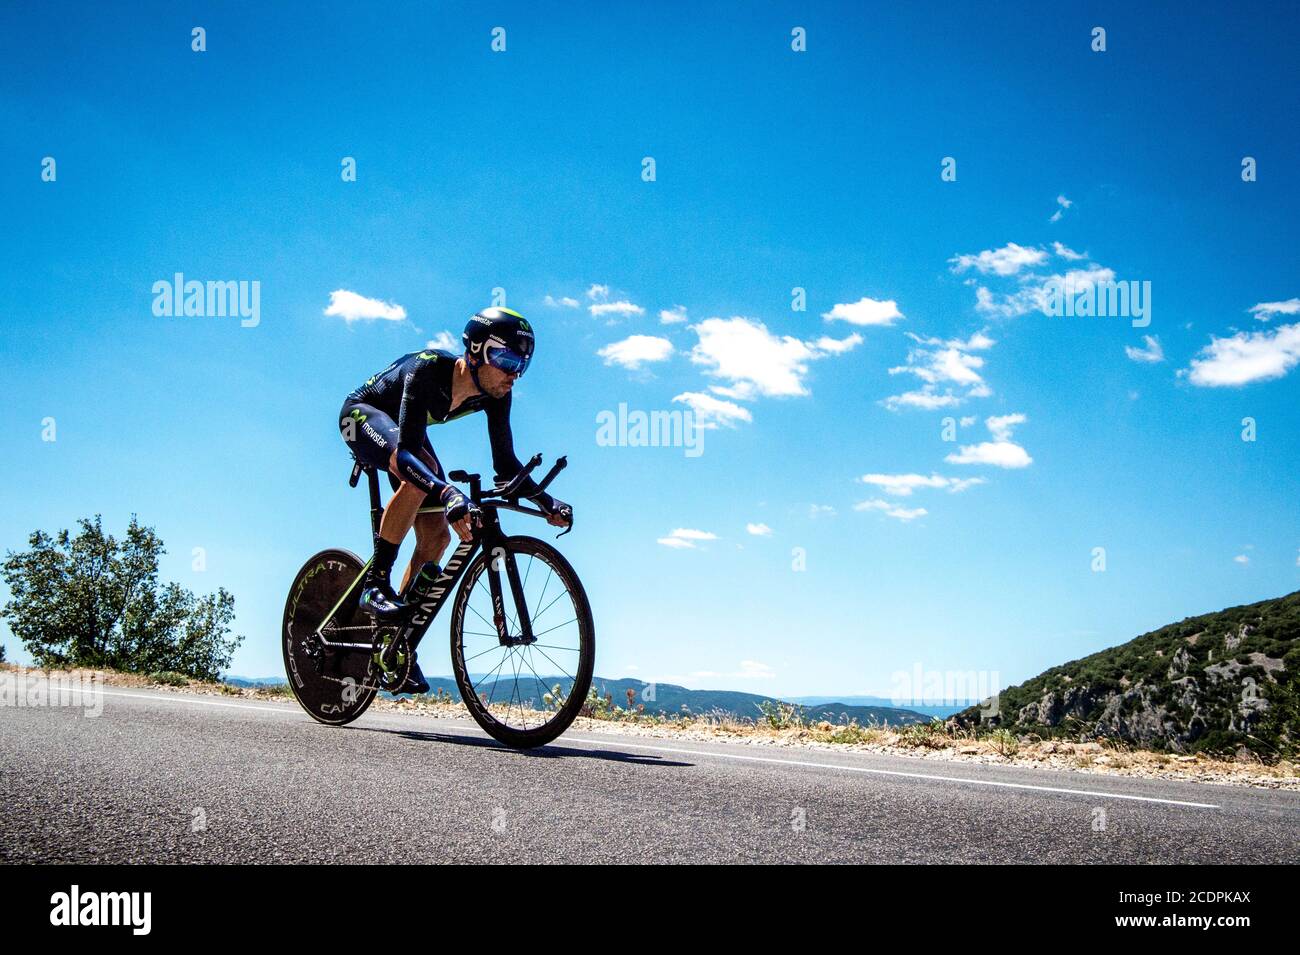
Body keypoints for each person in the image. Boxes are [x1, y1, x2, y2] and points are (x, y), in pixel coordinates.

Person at [338, 307, 572, 693]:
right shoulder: (428, 370)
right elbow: (406, 455)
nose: (514, 373)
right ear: (477, 351)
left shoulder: (497, 394)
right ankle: (375, 583)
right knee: (416, 477)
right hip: (362, 416)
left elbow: (505, 465)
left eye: (523, 365)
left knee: (437, 539)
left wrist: (547, 503)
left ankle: (396, 642)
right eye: (508, 359)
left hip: (406, 437)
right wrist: (449, 494)